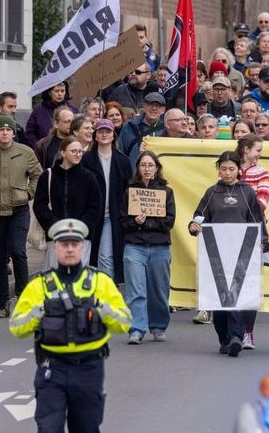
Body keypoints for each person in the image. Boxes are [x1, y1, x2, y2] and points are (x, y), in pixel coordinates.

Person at [9, 218, 131, 432]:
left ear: (82, 248)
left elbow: (124, 323)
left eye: (75, 244)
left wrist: (101, 309)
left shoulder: (100, 282)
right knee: (48, 428)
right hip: (52, 369)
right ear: (55, 248)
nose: (70, 249)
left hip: (89, 369)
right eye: (64, 244)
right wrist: (40, 311)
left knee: (86, 428)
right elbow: (17, 326)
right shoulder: (39, 285)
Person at [188, 151, 268, 357]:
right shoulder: (211, 192)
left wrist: (263, 241)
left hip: (241, 252)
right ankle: (224, 338)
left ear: (239, 170)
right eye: (223, 169)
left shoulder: (247, 192)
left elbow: (257, 220)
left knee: (236, 295)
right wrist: (193, 225)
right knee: (219, 297)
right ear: (218, 170)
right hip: (215, 254)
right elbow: (198, 217)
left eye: (231, 169)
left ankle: (236, 337)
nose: (227, 173)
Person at [0, 114, 43, 317]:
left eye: (8, 129)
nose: (5, 133)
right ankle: (3, 302)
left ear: (13, 132)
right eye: (1, 129)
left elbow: (37, 174)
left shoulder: (25, 152)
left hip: (18, 210)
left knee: (18, 251)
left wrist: (29, 192)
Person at [121, 151, 175, 344]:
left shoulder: (166, 192)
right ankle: (136, 328)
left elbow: (169, 221)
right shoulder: (130, 191)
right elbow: (123, 221)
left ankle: (159, 326)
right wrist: (136, 222)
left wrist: (149, 223)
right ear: (138, 168)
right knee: (136, 290)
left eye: (150, 165)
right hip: (134, 246)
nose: (146, 169)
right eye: (143, 165)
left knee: (159, 290)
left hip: (160, 247)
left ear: (156, 168)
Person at [33, 136, 104, 270]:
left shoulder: (88, 177)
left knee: (77, 281)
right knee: (56, 279)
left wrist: (81, 227)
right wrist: (55, 225)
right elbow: (40, 205)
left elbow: (94, 207)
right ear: (62, 153)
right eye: (74, 151)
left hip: (81, 237)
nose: (78, 154)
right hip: (55, 237)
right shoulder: (48, 176)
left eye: (80, 151)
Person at [80, 118, 132, 282]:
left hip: (112, 216)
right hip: (91, 216)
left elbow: (129, 190)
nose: (104, 134)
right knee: (86, 258)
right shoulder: (86, 159)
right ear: (95, 136)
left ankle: (106, 294)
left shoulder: (123, 161)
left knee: (106, 256)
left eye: (108, 131)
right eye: (100, 131)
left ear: (113, 135)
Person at [235, 135, 269, 348]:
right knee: (232, 284)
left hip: (253, 234)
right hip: (230, 233)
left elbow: (262, 203)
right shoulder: (231, 167)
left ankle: (248, 333)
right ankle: (234, 332)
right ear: (246, 149)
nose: (259, 155)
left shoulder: (262, 172)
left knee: (249, 285)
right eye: (257, 150)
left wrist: (236, 204)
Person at [116, 92, 167, 157]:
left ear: (163, 110)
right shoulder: (129, 127)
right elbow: (120, 153)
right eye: (150, 104)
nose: (154, 108)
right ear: (144, 106)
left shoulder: (168, 129)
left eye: (158, 105)